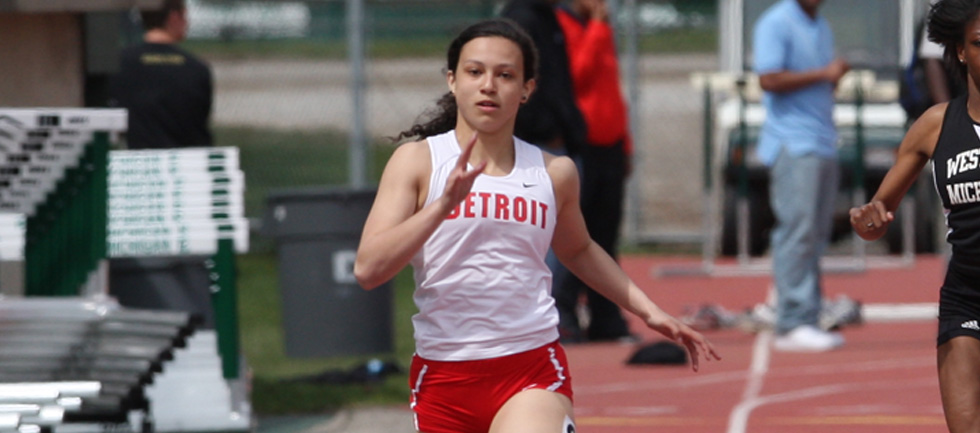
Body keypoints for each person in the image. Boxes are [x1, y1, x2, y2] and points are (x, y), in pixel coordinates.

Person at [353, 19, 720, 433]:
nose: (488, 85)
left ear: (526, 88)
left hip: (529, 370)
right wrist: (442, 207)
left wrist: (650, 311)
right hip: (444, 376)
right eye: (475, 72)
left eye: (505, 75)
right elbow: (369, 269)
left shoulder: (553, 172)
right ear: (452, 81)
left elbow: (578, 250)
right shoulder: (418, 162)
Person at [850, 1, 980, 430]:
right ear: (960, 51)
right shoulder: (936, 125)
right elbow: (877, 215)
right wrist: (868, 220)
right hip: (967, 295)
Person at [752, 0, 851, 351]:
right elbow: (768, 78)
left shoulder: (820, 24)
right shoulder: (776, 22)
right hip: (793, 141)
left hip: (822, 138)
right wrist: (825, 74)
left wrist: (831, 78)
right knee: (798, 230)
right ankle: (792, 319)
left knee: (817, 233)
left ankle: (808, 313)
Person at [551, 0, 634, 342]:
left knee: (606, 236)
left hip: (610, 143)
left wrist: (626, 144)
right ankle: (564, 314)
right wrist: (598, 30)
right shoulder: (563, 25)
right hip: (581, 146)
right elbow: (576, 76)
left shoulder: (600, 30)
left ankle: (606, 318)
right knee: (575, 235)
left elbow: (611, 91)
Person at [109, 0, 213, 149]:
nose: (187, 23)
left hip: (136, 158)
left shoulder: (119, 64)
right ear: (174, 17)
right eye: (185, 16)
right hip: (186, 158)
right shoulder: (196, 68)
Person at [498, 0, 587, 157]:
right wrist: (547, 131)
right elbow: (517, 81)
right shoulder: (522, 19)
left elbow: (558, 78)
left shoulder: (547, 15)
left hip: (561, 135)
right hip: (538, 141)